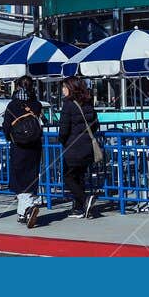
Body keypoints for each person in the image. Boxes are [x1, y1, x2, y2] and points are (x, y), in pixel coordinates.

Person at [56, 77, 103, 219]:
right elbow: (95, 124)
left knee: (68, 177)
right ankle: (79, 208)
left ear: (70, 88)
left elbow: (64, 128)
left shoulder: (68, 104)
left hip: (73, 146)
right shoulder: (88, 102)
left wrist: (62, 140)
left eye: (64, 87)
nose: (62, 90)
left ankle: (84, 200)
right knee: (79, 176)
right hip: (87, 145)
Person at [2, 77, 45, 228]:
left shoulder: (12, 105)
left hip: (18, 146)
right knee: (32, 175)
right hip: (35, 146)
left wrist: (12, 137)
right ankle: (22, 213)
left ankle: (28, 207)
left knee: (18, 178)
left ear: (17, 87)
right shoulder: (37, 105)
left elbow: (6, 127)